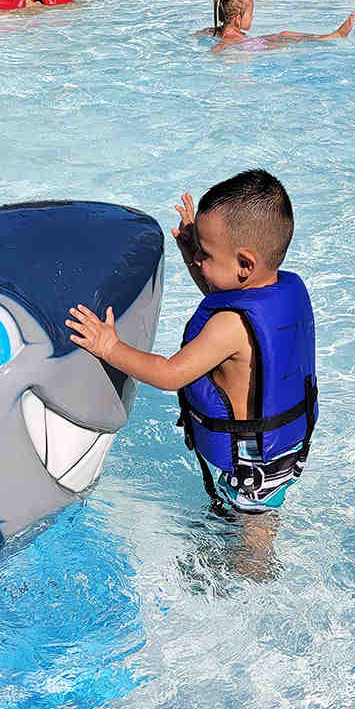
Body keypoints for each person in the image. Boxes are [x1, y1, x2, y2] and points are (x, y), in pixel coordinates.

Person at [67, 171, 318, 518]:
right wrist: (194, 253)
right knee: (248, 519)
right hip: (279, 450)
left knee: (253, 532)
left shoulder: (229, 326)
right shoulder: (272, 292)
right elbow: (224, 297)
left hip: (252, 466)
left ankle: (255, 571)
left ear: (245, 264)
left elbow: (170, 375)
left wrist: (108, 347)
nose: (199, 260)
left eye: (206, 255)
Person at [199, 0, 354, 53]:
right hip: (253, 46)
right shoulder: (234, 39)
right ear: (238, 18)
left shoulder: (211, 31)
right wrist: (215, 52)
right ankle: (334, 36)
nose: (252, 17)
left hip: (251, 43)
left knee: (285, 33)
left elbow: (201, 35)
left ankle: (333, 35)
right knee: (290, 41)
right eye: (250, 14)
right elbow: (222, 45)